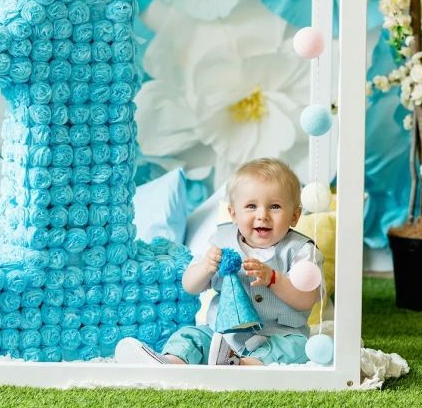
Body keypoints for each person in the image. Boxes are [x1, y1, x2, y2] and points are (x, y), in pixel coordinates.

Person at [115, 157, 324, 366]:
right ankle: (170, 362)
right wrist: (206, 268)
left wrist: (273, 279)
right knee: (191, 335)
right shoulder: (221, 241)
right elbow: (190, 286)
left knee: (296, 347)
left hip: (279, 334)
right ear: (233, 213)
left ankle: (243, 366)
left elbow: (306, 299)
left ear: (295, 216)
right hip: (223, 336)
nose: (263, 215)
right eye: (251, 206)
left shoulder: (301, 249)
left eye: (275, 206)